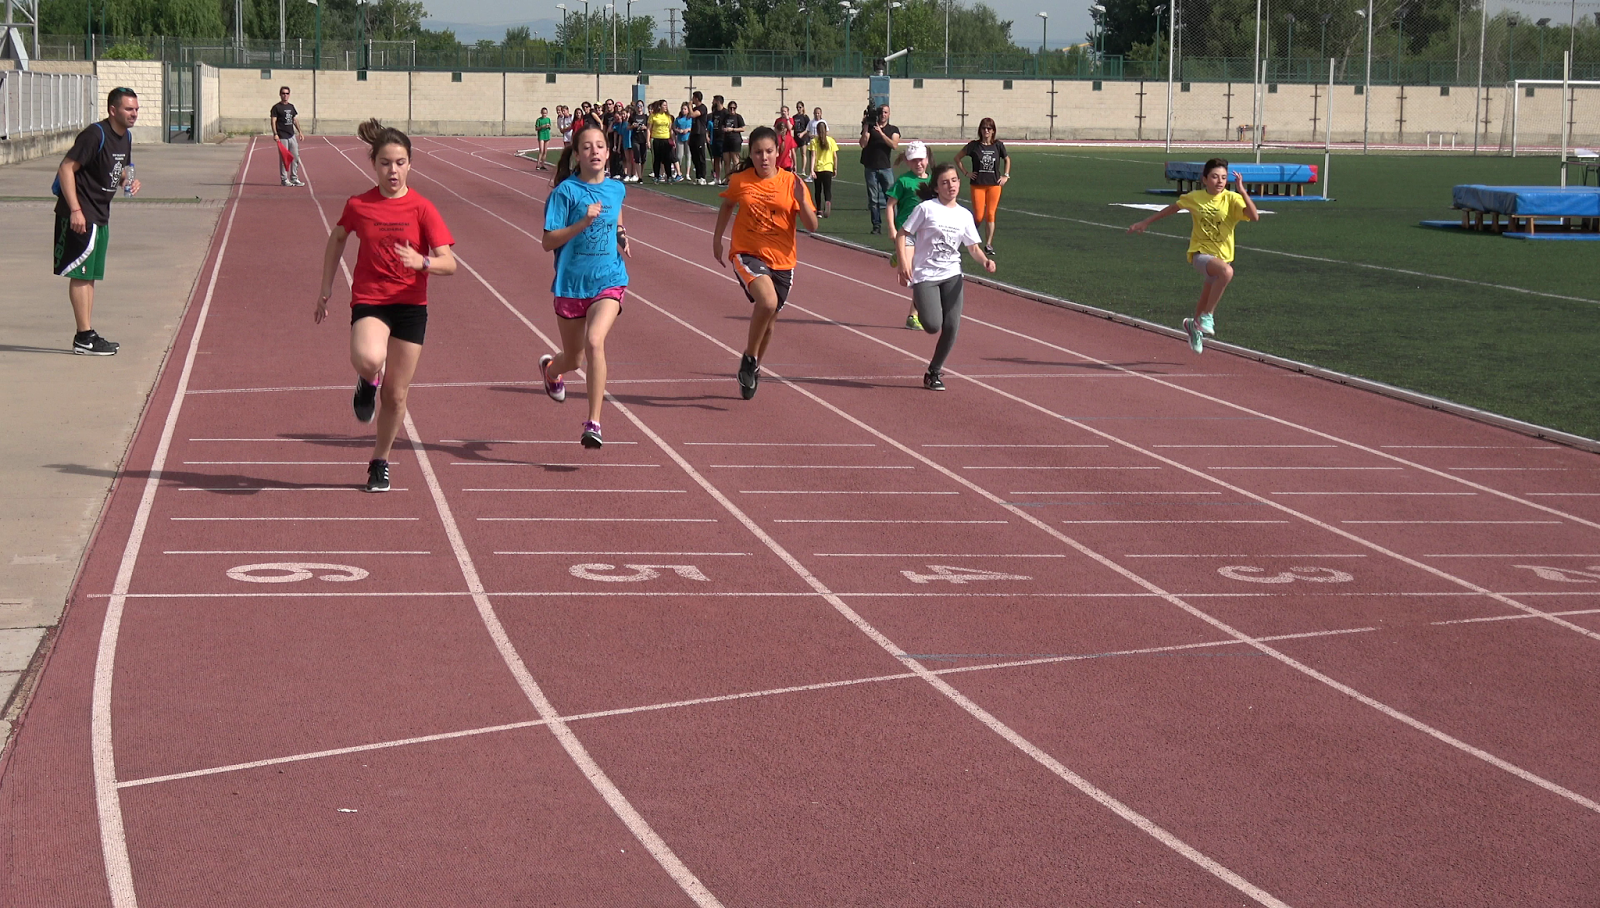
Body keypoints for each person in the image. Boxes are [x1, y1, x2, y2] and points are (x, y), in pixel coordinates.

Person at [315, 119, 457, 492]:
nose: (392, 171)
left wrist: (423, 262)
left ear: (410, 164)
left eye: (399, 163)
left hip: (411, 306)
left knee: (395, 395)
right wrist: (326, 288)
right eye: (385, 163)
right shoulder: (359, 205)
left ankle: (380, 459)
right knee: (369, 358)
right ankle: (366, 381)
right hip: (371, 299)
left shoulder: (423, 209)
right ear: (373, 163)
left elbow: (450, 263)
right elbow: (337, 238)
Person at [539, 121, 631, 448]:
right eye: (587, 146)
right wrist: (583, 222)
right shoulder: (564, 193)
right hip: (570, 285)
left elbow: (616, 214)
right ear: (576, 154)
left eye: (600, 146)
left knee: (595, 341)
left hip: (608, 279)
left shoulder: (616, 188)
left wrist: (621, 235)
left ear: (608, 153)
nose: (594, 151)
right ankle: (552, 370)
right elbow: (548, 242)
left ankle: (594, 422)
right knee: (574, 359)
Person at [712, 126, 819, 400]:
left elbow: (812, 226)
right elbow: (726, 206)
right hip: (747, 253)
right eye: (758, 152)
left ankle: (754, 363)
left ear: (777, 152)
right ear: (752, 154)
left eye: (769, 151)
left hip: (783, 260)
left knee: (769, 322)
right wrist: (717, 240)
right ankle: (749, 359)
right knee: (767, 302)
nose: (763, 157)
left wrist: (801, 202)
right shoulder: (741, 180)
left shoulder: (792, 182)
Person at [1126, 158, 1259, 354]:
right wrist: (1146, 222)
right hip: (1200, 254)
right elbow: (1173, 208)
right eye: (1214, 177)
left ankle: (1194, 327)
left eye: (1223, 177)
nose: (1220, 181)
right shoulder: (1195, 197)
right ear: (1205, 179)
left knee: (1209, 291)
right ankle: (1208, 316)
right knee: (1227, 273)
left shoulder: (1232, 198)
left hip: (1222, 256)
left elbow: (1254, 216)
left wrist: (1242, 190)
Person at [54, 86, 140, 356]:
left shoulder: (125, 137)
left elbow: (117, 171)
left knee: (90, 275)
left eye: (136, 109)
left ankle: (87, 334)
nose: (134, 114)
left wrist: (129, 181)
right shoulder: (95, 134)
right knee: (80, 274)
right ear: (112, 110)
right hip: (82, 213)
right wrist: (76, 210)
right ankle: (83, 336)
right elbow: (67, 168)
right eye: (128, 109)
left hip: (101, 213)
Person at [895, 162, 995, 392]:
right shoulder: (926, 209)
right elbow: (903, 234)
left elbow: (973, 248)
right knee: (932, 325)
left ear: (959, 183)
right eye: (944, 182)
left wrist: (985, 262)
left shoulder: (964, 215)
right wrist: (903, 263)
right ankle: (922, 302)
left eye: (954, 180)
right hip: (926, 274)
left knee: (951, 326)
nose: (950, 185)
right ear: (937, 187)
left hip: (952, 275)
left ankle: (934, 372)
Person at [886, 140, 932, 330]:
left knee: (921, 276)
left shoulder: (933, 182)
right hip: (907, 233)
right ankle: (900, 253)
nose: (918, 164)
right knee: (909, 276)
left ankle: (913, 315)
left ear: (927, 159)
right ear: (907, 162)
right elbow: (890, 205)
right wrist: (892, 229)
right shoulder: (904, 181)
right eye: (913, 161)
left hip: (926, 234)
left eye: (921, 160)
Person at [956, 117, 1009, 257]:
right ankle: (968, 238)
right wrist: (966, 172)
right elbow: (958, 158)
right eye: (984, 128)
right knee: (979, 216)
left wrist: (1006, 175)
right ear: (980, 130)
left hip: (994, 185)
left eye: (989, 129)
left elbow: (1007, 159)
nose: (986, 131)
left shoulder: (998, 145)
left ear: (993, 131)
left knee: (991, 214)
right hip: (978, 185)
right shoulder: (974, 145)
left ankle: (988, 244)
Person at [858, 103, 900, 234]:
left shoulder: (893, 129)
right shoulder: (870, 128)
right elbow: (863, 143)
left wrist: (881, 133)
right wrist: (866, 126)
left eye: (886, 112)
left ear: (889, 114)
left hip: (885, 168)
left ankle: (895, 224)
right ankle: (876, 225)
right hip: (871, 167)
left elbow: (894, 145)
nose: (883, 115)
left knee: (891, 197)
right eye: (881, 112)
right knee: (873, 198)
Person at [269, 86, 304, 187]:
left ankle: (294, 178)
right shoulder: (276, 107)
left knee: (295, 157)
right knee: (284, 158)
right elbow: (273, 121)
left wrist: (300, 132)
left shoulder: (291, 107)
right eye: (283, 93)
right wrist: (275, 134)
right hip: (282, 136)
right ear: (280, 94)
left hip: (291, 135)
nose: (285, 95)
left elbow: (294, 120)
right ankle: (284, 179)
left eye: (287, 93)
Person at [808, 121, 838, 218]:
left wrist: (811, 170)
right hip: (828, 168)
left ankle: (819, 210)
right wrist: (835, 168)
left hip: (818, 168)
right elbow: (835, 156)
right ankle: (827, 201)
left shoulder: (814, 141)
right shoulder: (831, 141)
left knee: (818, 190)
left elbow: (813, 156)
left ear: (816, 130)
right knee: (827, 189)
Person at [719, 101, 746, 185]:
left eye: (733, 108)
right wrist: (724, 129)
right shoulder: (725, 117)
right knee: (726, 161)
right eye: (730, 108)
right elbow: (722, 125)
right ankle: (728, 178)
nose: (732, 110)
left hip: (735, 140)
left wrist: (733, 129)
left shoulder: (738, 117)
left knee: (735, 161)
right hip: (726, 140)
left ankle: (736, 178)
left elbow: (743, 128)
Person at [648, 100, 675, 183]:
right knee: (657, 159)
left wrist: (673, 140)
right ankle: (656, 176)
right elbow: (649, 129)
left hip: (666, 139)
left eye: (666, 105)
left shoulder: (668, 117)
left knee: (667, 159)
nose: (666, 107)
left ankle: (669, 176)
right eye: (664, 105)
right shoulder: (653, 116)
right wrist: (648, 140)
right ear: (660, 106)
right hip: (657, 139)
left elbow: (670, 129)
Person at [689, 91, 710, 184]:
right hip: (693, 134)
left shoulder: (702, 108)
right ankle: (697, 176)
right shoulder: (694, 108)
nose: (692, 100)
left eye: (693, 98)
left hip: (700, 134)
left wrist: (689, 106)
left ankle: (703, 176)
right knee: (695, 156)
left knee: (701, 156)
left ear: (696, 98)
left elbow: (693, 115)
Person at [673, 101, 694, 182]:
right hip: (680, 138)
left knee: (688, 155)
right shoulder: (678, 119)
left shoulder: (691, 119)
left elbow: (693, 127)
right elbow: (674, 127)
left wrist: (688, 130)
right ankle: (677, 171)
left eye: (685, 109)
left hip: (688, 138)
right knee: (679, 156)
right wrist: (678, 130)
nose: (683, 110)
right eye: (682, 109)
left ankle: (688, 173)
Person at [629, 99, 649, 183]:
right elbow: (628, 127)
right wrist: (633, 126)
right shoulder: (633, 116)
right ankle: (639, 177)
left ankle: (641, 173)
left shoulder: (646, 117)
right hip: (635, 138)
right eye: (638, 106)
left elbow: (649, 128)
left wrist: (645, 127)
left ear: (643, 107)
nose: (639, 107)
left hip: (643, 138)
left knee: (643, 158)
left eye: (641, 106)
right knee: (637, 156)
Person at [708, 95, 726, 184]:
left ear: (718, 101)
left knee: (724, 159)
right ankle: (717, 178)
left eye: (714, 100)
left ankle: (725, 178)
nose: (712, 102)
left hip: (722, 138)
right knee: (716, 158)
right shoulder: (715, 113)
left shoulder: (725, 112)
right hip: (715, 137)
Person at [791, 102, 811, 178]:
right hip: (796, 137)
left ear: (803, 107)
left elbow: (808, 128)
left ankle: (803, 170)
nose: (798, 109)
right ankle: (793, 167)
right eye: (797, 107)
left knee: (803, 153)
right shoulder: (794, 117)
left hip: (803, 137)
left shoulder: (805, 117)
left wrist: (802, 133)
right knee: (793, 153)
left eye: (800, 107)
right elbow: (792, 126)